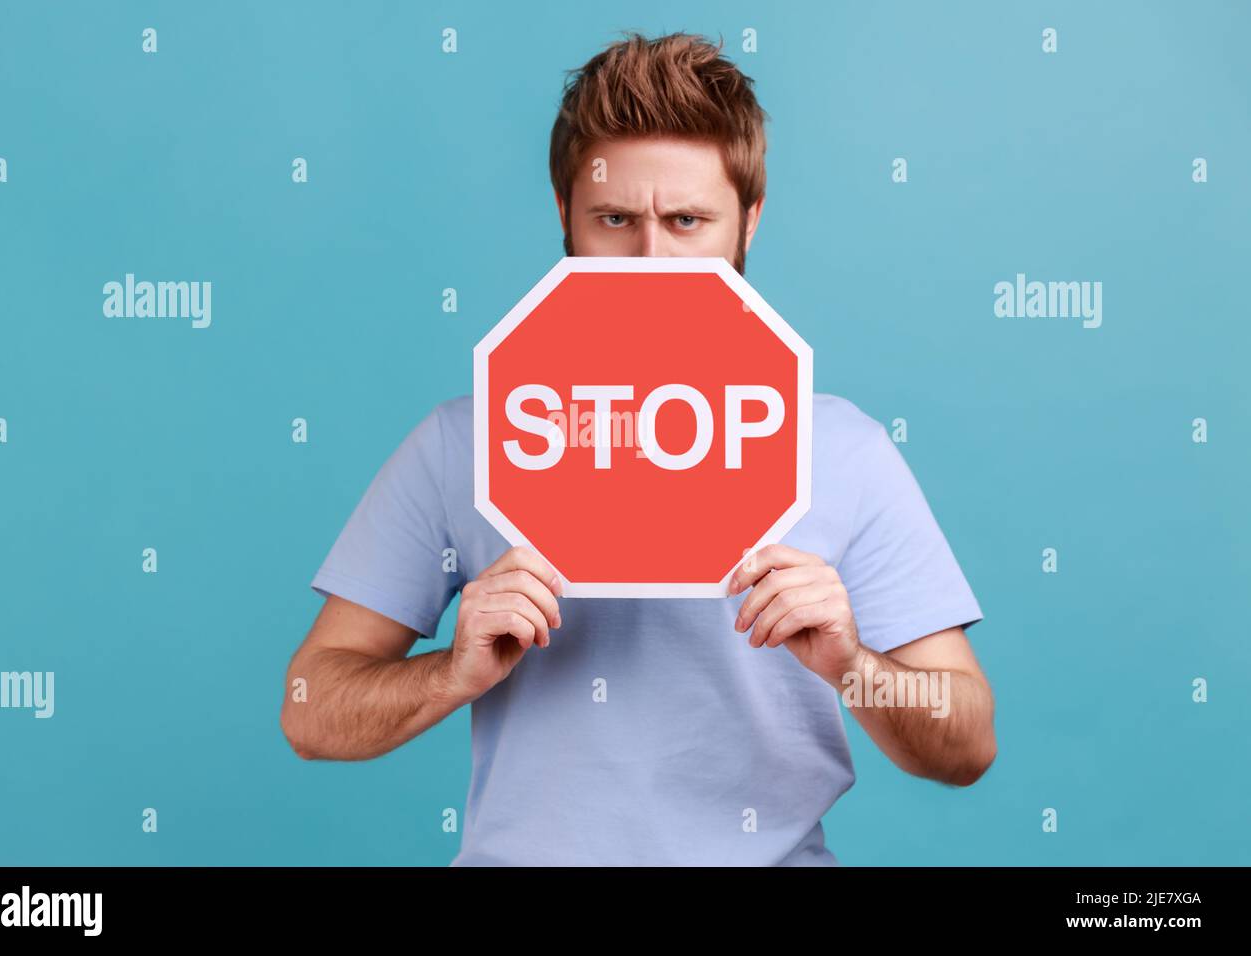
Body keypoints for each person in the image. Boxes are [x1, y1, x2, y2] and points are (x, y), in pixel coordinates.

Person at [280, 31, 995, 866]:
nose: (651, 261)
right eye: (616, 219)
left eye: (688, 221)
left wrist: (850, 665)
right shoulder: (461, 442)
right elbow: (307, 707)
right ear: (565, 216)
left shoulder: (845, 450)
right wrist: (450, 674)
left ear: (749, 224)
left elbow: (968, 742)